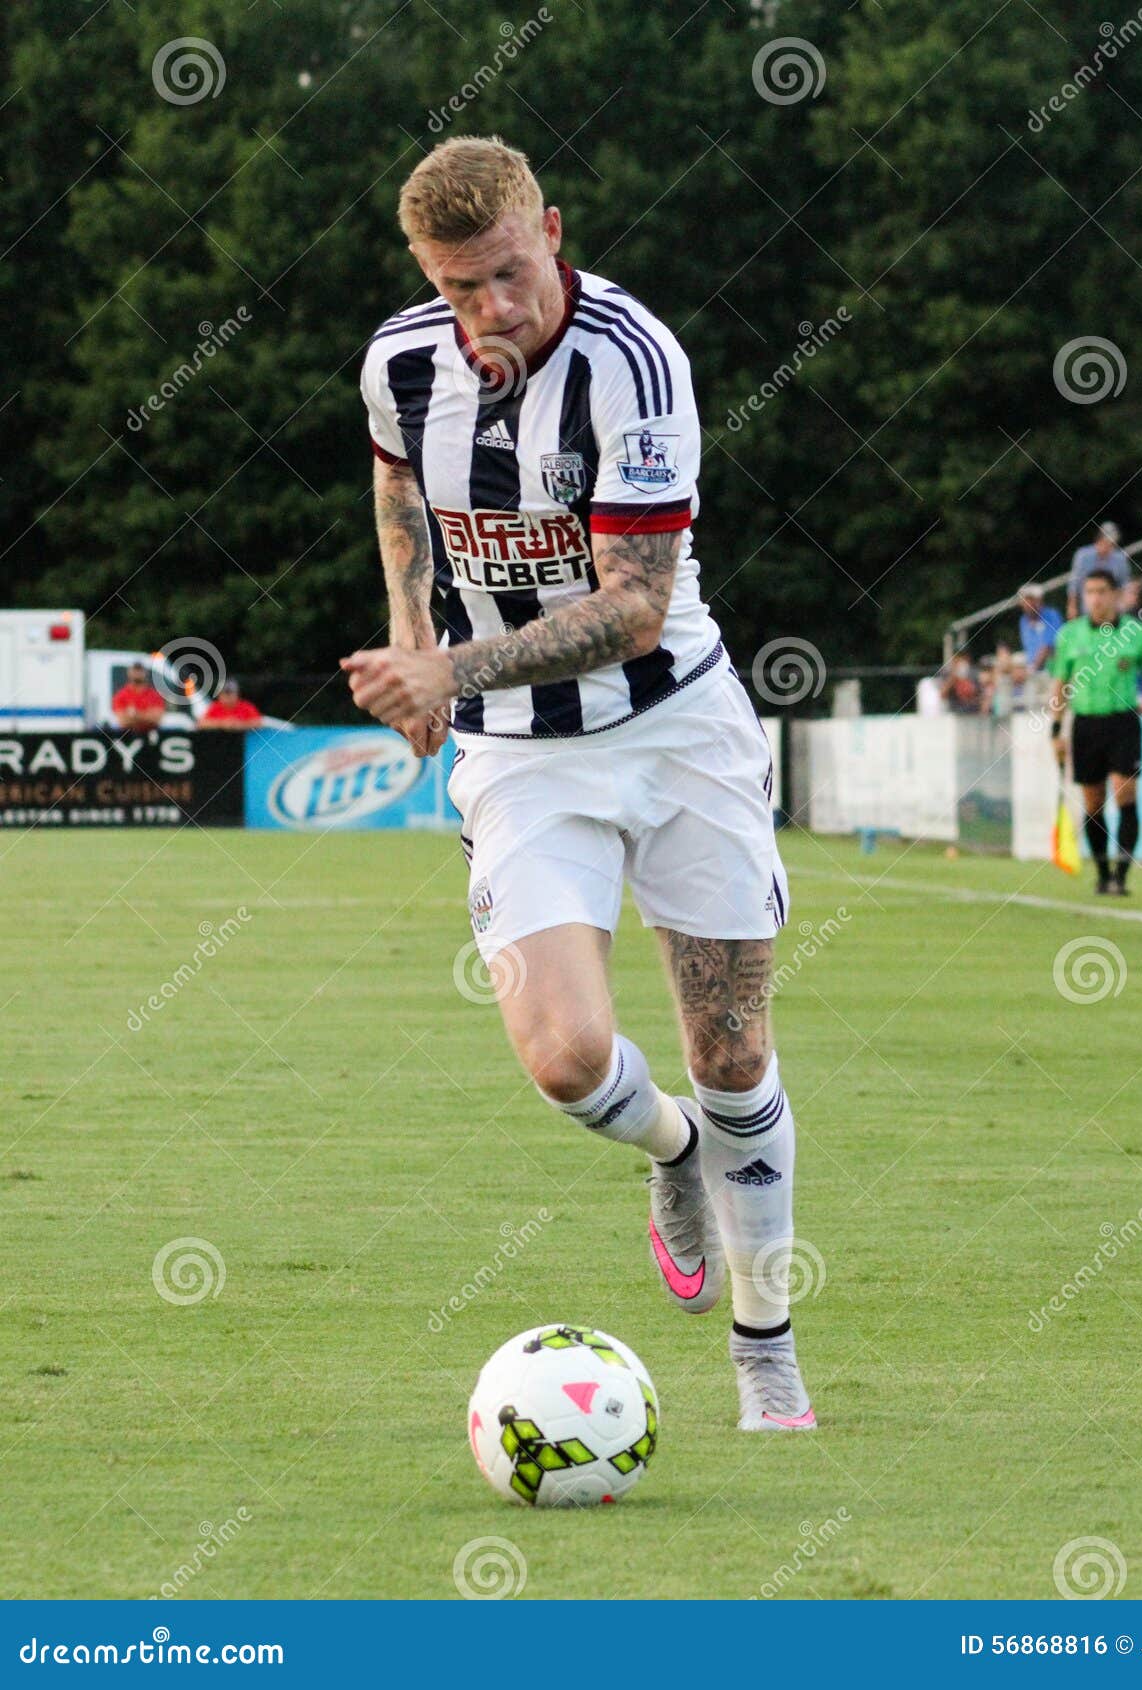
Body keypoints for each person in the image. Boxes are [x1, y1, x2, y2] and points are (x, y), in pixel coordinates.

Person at [342, 136, 813, 1432]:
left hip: (675, 729)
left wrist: (444, 670)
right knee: (562, 1057)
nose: (488, 309)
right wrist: (413, 632)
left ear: (551, 228)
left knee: (733, 1044)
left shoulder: (635, 363)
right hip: (514, 748)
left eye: (504, 273)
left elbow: (637, 611)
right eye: (456, 288)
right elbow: (396, 481)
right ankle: (670, 1150)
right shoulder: (398, 363)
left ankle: (765, 1348)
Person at [1049, 569, 1142, 896]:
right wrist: (1055, 728)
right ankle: (1103, 873)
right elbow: (1060, 684)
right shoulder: (1069, 635)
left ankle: (1122, 873)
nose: (1095, 598)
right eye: (1089, 591)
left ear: (1116, 594)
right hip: (1086, 723)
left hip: (1123, 721)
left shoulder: (1137, 634)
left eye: (1102, 591)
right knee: (1093, 802)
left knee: (1124, 793)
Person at [1067, 522, 1130, 618]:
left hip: (1113, 607)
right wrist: (1072, 606)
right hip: (1088, 606)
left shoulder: (1120, 558)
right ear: (1099, 540)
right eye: (1106, 543)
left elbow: (1124, 584)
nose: (1109, 547)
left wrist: (1122, 604)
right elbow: (1074, 583)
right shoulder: (1083, 555)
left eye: (1112, 544)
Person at [111, 660, 166, 733]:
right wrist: (147, 715)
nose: (137, 674)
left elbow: (157, 719)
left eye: (140, 670)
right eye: (135, 670)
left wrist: (134, 714)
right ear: (129, 673)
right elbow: (123, 721)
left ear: (145, 673)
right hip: (128, 737)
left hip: (150, 736)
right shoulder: (121, 695)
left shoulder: (154, 695)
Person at [1018, 585, 1062, 670]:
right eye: (1025, 600)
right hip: (1032, 668)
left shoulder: (1051, 615)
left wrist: (1032, 669)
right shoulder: (1023, 621)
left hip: (1052, 667)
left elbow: (1048, 647)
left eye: (1031, 599)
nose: (1028, 603)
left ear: (1039, 600)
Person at [198, 678, 263, 730]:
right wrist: (222, 723)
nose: (228, 698)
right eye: (225, 694)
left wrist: (240, 724)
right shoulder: (215, 706)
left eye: (230, 694)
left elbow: (258, 722)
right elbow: (201, 723)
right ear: (219, 696)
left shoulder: (246, 706)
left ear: (237, 694)